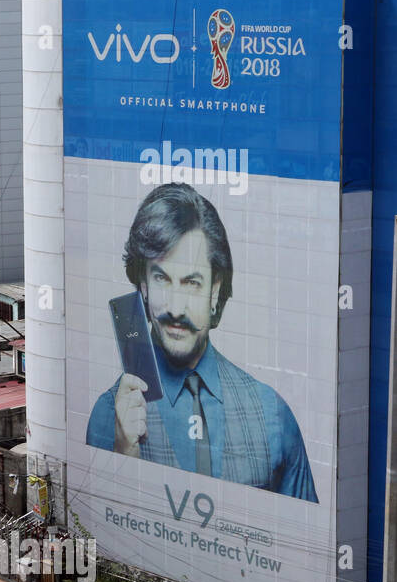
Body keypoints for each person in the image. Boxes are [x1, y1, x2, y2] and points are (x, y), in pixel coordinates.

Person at [85, 183, 317, 503]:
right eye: (162, 279)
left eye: (192, 283)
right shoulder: (108, 415)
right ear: (143, 286)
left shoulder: (273, 415)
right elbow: (98, 535)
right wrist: (125, 454)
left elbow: (304, 541)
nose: (177, 309)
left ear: (215, 290)